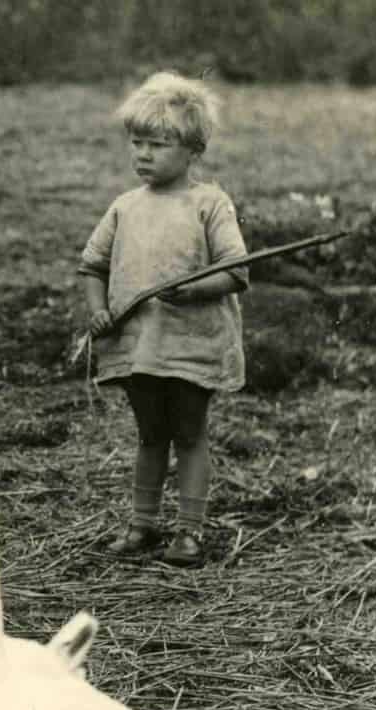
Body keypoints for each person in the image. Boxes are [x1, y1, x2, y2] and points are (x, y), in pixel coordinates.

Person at [79, 71, 248, 569]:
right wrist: (98, 311)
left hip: (191, 343)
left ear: (193, 149)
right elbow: (93, 265)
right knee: (151, 434)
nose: (143, 154)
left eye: (158, 143)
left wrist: (194, 289)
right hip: (137, 345)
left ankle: (189, 532)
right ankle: (141, 523)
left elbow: (237, 272)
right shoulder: (125, 207)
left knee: (190, 432)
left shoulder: (209, 204)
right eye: (137, 143)